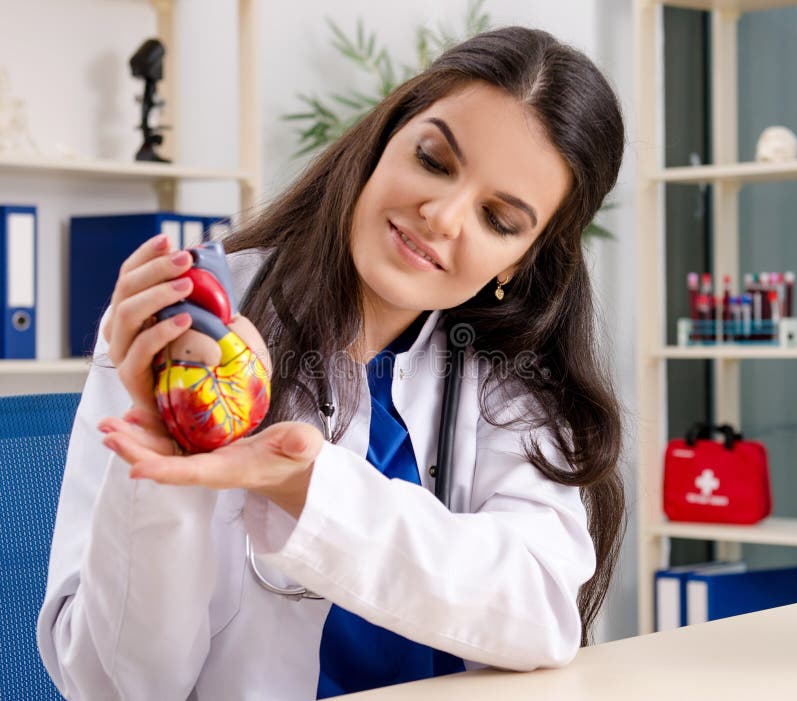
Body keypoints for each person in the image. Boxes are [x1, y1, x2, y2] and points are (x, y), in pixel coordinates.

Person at [38, 26, 625, 700]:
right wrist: (173, 442)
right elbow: (113, 687)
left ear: (519, 261)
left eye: (499, 218)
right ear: (384, 140)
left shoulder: (507, 384)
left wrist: (308, 487)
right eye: (433, 159)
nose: (442, 216)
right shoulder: (183, 327)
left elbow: (542, 611)